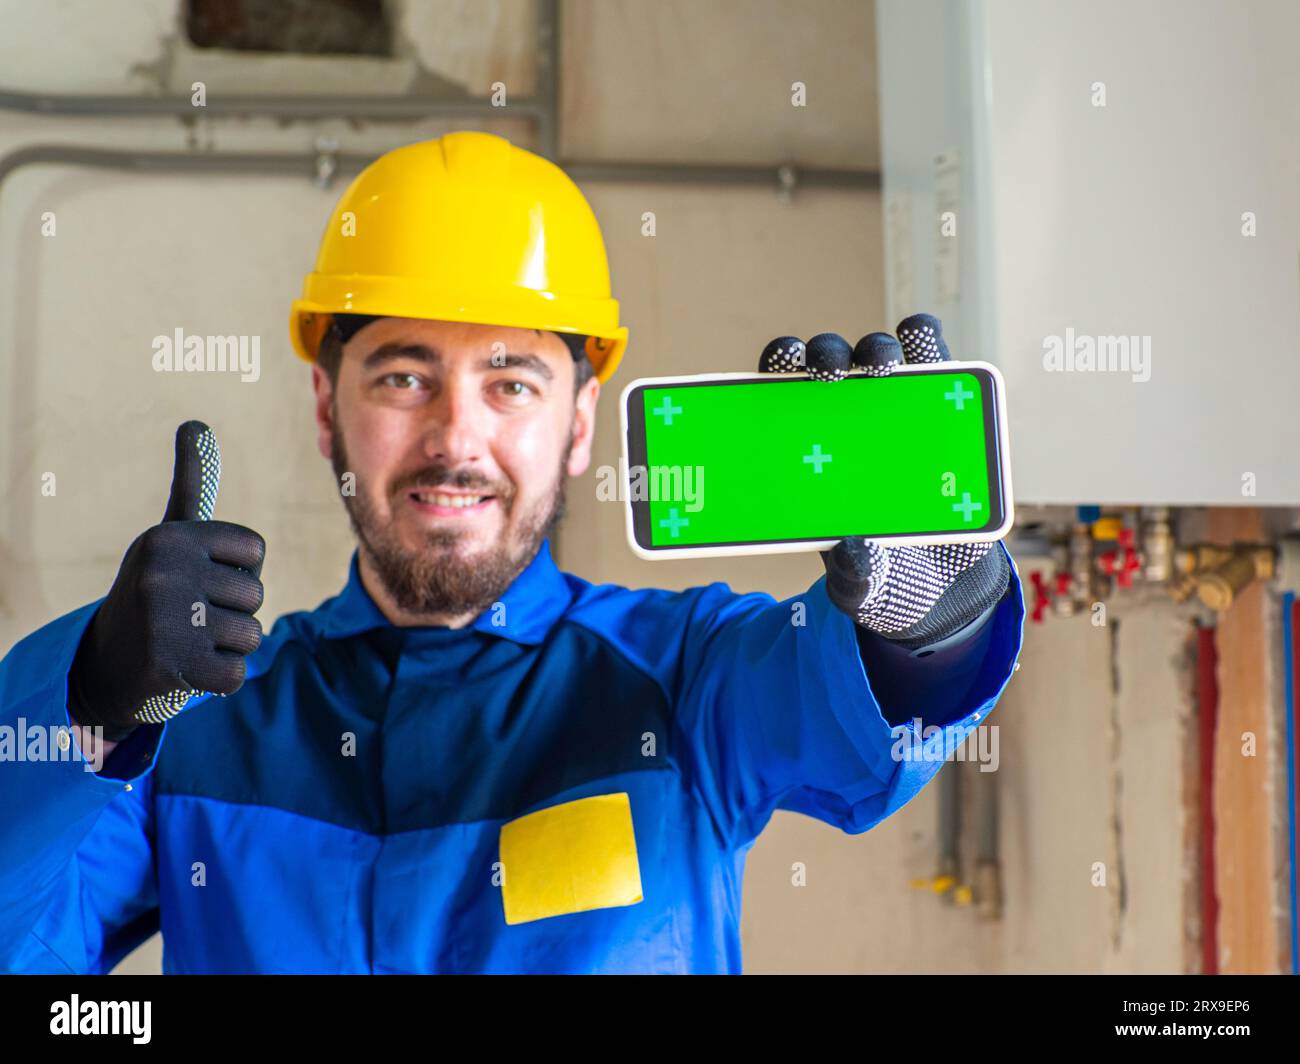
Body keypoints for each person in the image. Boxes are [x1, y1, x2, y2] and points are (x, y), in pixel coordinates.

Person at [0, 131, 1024, 974]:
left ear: (581, 421)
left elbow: (858, 712)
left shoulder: (683, 675)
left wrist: (934, 616)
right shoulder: (187, 727)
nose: (455, 436)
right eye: (404, 377)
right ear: (327, 405)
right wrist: (86, 696)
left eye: (511, 382)